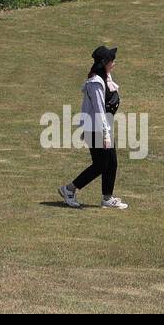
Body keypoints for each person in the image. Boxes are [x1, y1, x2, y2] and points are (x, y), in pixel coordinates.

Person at [57, 45, 128, 210]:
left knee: (112, 163)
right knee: (100, 165)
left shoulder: (105, 77)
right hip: (97, 128)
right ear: (105, 63)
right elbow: (99, 110)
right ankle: (69, 189)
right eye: (112, 60)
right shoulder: (96, 83)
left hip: (102, 127)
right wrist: (105, 134)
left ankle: (107, 198)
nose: (114, 63)